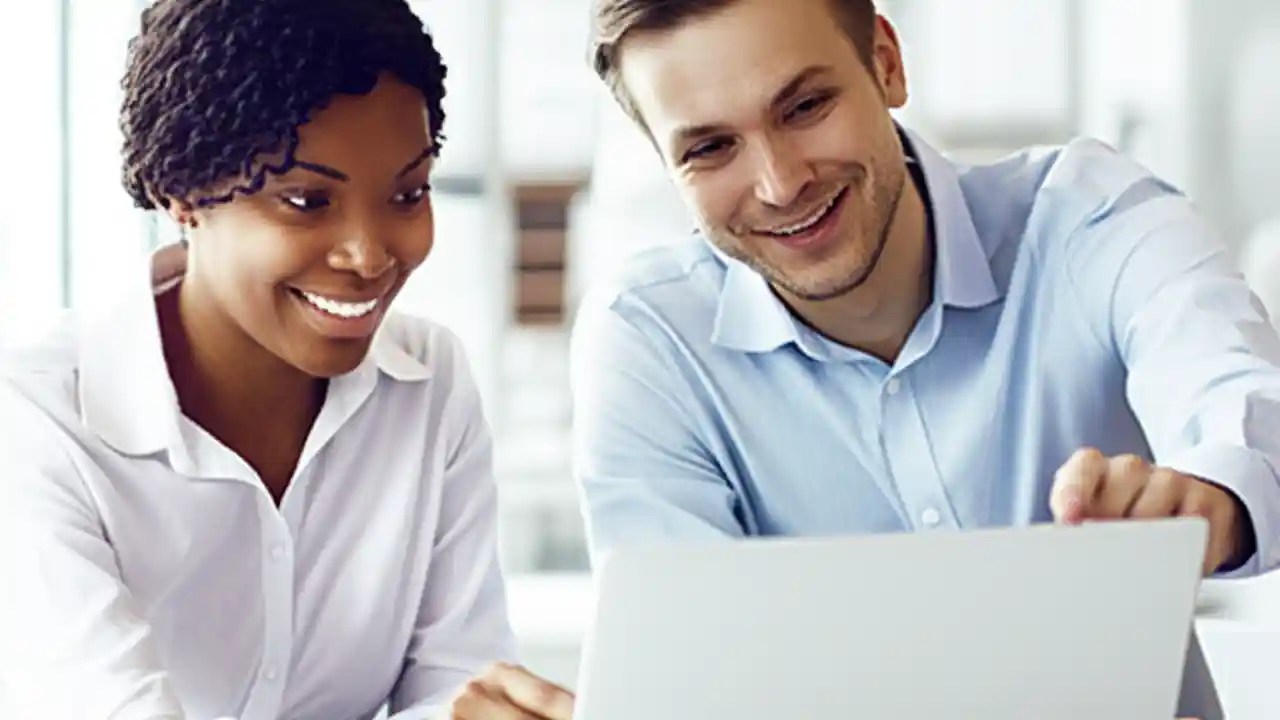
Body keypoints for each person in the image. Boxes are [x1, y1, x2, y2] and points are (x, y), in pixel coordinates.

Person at [447, 0, 1280, 715]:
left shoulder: (1089, 220)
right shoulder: (649, 343)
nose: (778, 183)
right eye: (709, 150)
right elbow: (694, 684)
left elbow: (1245, 409)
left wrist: (1205, 501)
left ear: (885, 62)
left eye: (805, 106)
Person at [0, 1, 570, 718]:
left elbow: (455, 685)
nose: (369, 255)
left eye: (408, 193)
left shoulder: (429, 382)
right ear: (183, 193)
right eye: (306, 201)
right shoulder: (34, 421)